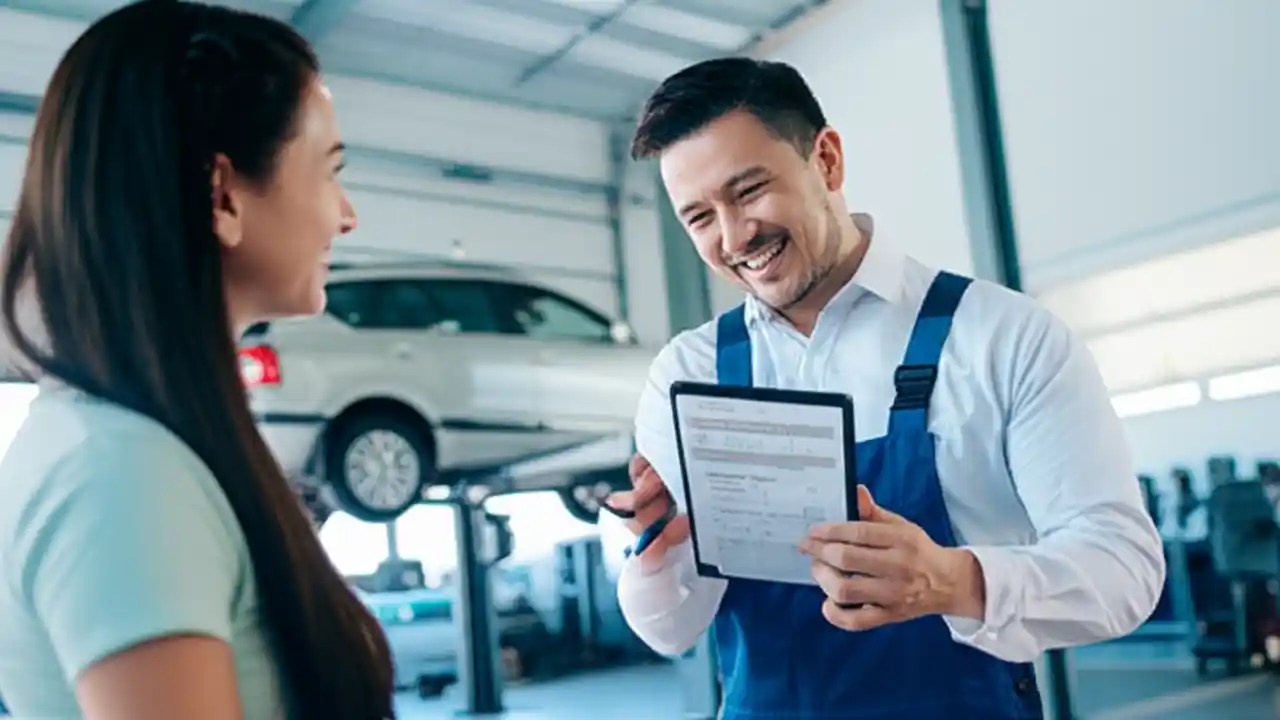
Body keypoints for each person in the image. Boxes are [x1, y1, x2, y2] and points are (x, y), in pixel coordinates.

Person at [604, 57, 1166, 719]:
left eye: (750, 190)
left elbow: (1125, 572)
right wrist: (661, 554)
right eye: (699, 217)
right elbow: (669, 631)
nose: (733, 237)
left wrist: (951, 581)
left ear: (828, 160)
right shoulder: (688, 376)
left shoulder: (1002, 337)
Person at [0, 2, 394, 718]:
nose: (346, 214)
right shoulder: (119, 472)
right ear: (223, 194)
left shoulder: (133, 447)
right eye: (328, 171)